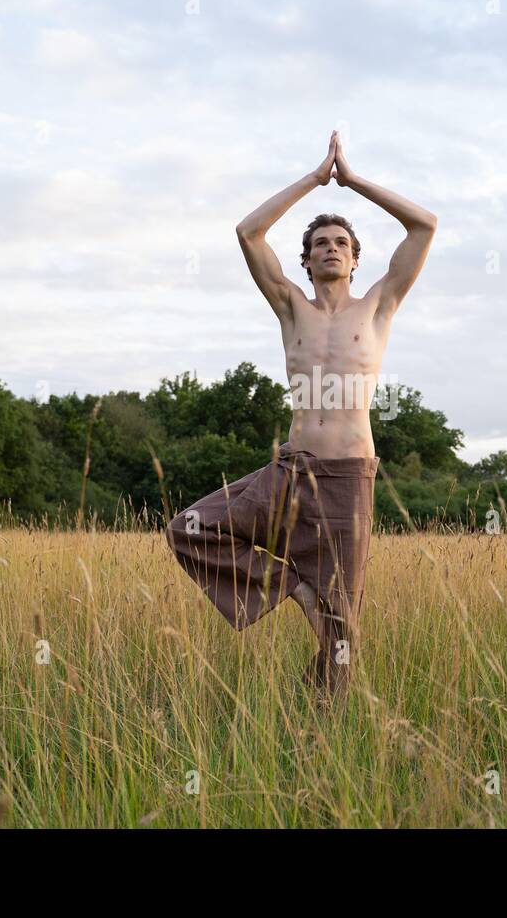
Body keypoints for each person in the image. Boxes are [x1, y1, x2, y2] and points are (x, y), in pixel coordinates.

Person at [165, 131, 438, 704]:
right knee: (188, 528)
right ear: (308, 260)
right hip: (290, 473)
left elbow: (424, 226)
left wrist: (354, 179)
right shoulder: (291, 308)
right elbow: (248, 232)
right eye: (320, 243)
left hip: (348, 478)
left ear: (357, 259)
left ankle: (324, 725)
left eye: (342, 242)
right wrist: (316, 178)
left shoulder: (380, 306)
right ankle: (294, 587)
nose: (331, 248)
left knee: (341, 633)